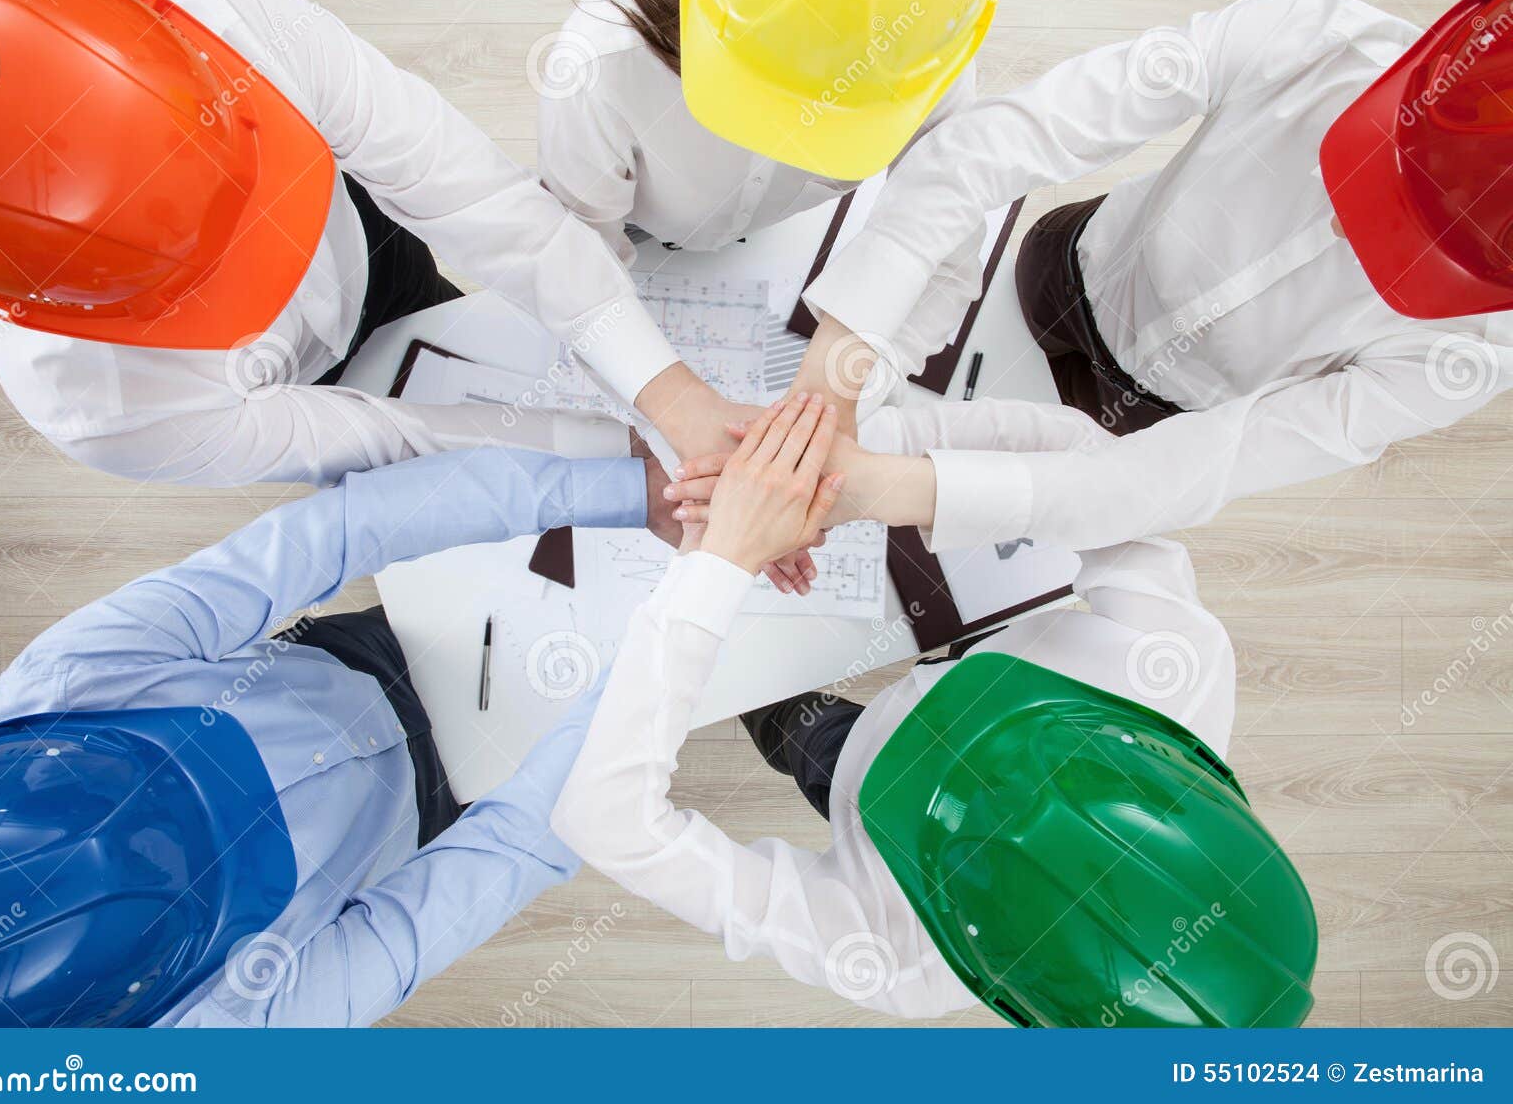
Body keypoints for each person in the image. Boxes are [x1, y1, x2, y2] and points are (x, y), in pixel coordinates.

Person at [554, 393, 1318, 1025]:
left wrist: (717, 556)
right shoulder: (1174, 666)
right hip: (969, 660)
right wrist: (869, 468)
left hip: (853, 766)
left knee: (798, 729)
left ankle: (787, 721)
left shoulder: (894, 957)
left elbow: (604, 819)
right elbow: (1088, 463)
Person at [0, 439, 681, 1027]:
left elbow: (343, 529)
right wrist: (675, 636)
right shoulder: (227, 1027)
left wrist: (629, 490)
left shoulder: (64, 680)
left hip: (363, 654)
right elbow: (504, 853)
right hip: (446, 802)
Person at [0, 0, 744, 489]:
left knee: (435, 311)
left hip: (367, 236)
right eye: (198, 279)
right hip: (302, 393)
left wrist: (665, 394)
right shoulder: (103, 405)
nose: (266, 269)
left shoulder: (224, 19)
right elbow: (382, 439)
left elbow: (479, 204)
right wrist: (614, 459)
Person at [790, 0, 1513, 552]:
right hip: (1074, 270)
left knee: (1041, 510)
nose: (1363, 229)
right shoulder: (1319, 40)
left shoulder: (1478, 349)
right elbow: (991, 145)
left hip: (1163, 419)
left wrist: (889, 488)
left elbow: (1192, 471)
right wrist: (836, 380)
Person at [539, 0, 1006, 418]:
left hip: (777, 247)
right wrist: (670, 408)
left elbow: (947, 255)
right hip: (629, 223)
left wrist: (850, 399)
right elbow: (575, 261)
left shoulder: (921, 47)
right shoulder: (599, 59)